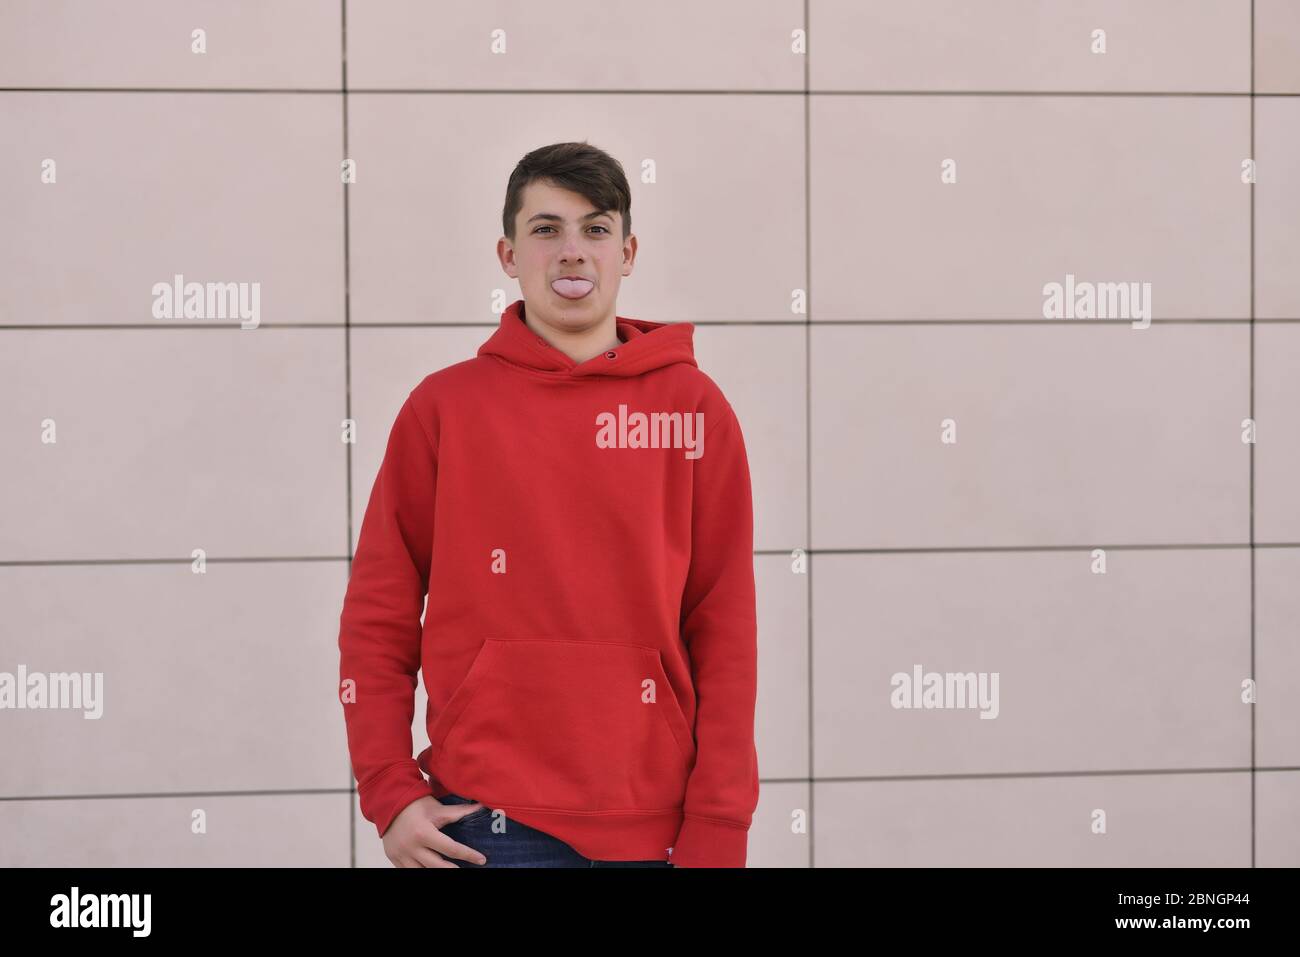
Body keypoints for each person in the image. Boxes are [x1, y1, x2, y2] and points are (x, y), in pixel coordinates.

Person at [337, 141, 759, 868]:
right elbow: (379, 611)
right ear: (508, 253)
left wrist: (720, 822)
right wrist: (390, 790)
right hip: (485, 825)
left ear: (627, 253)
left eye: (595, 229)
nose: (572, 251)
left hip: (655, 828)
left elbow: (724, 625)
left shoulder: (693, 409)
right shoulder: (442, 409)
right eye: (546, 229)